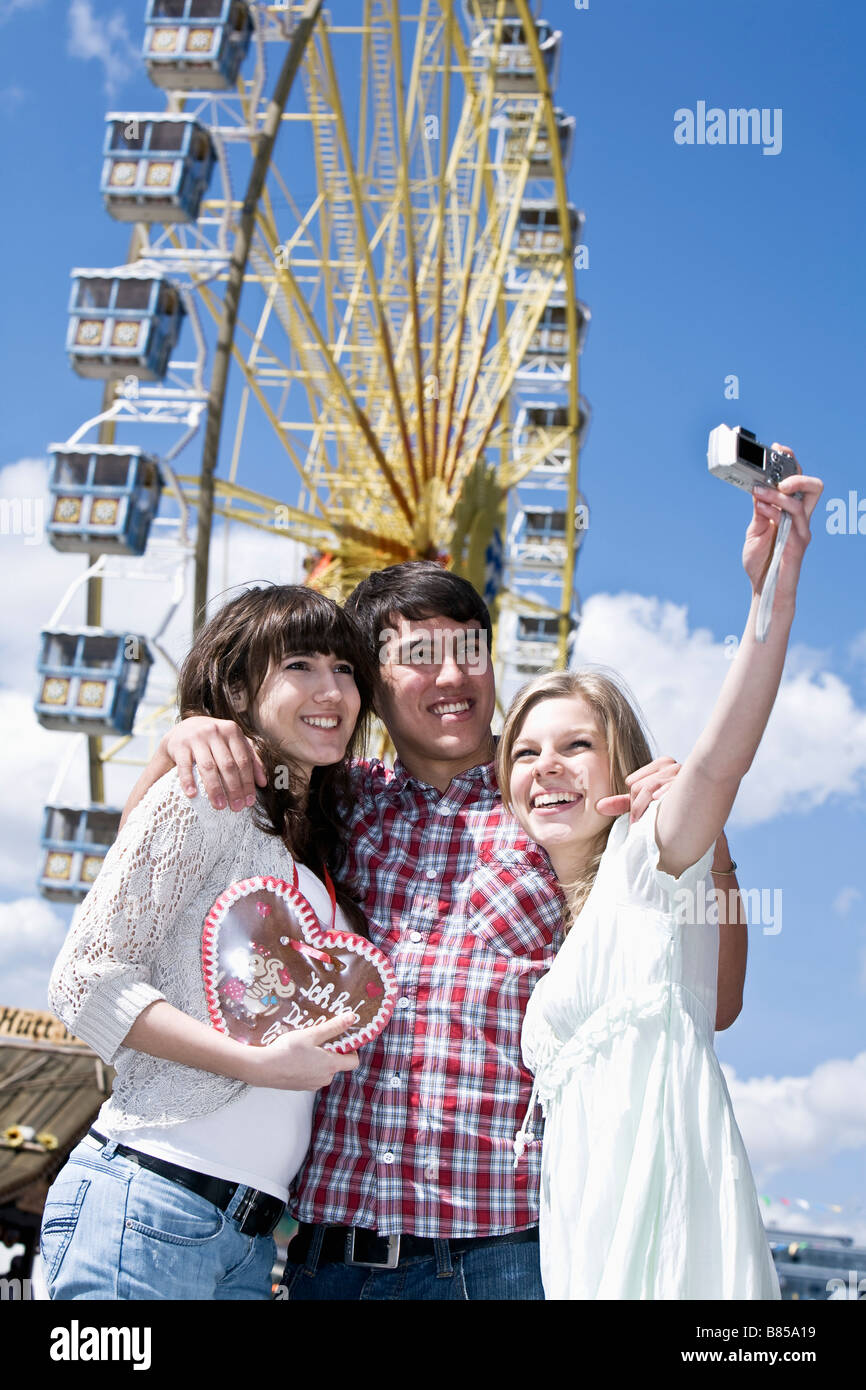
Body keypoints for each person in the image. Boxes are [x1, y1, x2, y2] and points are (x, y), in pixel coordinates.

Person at [118, 563, 749, 1300]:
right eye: (419, 657)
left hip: (502, 1254)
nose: (452, 675)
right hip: (333, 1257)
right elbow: (145, 887)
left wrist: (710, 848)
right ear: (369, 688)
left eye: (471, 651)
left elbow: (715, 1004)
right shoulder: (331, 803)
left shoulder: (555, 805)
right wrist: (179, 743)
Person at [498, 459, 821, 1298]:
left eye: (575, 744)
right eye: (525, 753)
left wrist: (771, 594)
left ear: (622, 762)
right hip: (584, 1234)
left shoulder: (648, 860)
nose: (548, 767)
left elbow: (719, 763)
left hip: (663, 1229)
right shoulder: (559, 930)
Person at [40, 585, 375, 1300]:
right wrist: (255, 1062)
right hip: (149, 1196)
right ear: (236, 686)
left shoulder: (304, 843)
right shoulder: (205, 795)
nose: (332, 688)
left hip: (248, 1242)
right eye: (302, 665)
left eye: (345, 669)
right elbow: (83, 980)